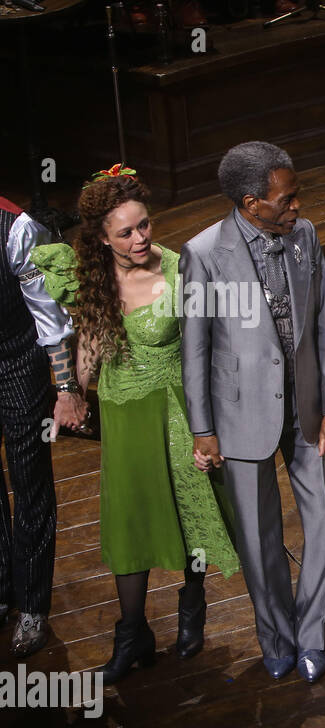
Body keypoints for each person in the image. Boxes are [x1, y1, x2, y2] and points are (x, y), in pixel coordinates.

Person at [32, 169, 239, 683]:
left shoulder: (179, 270)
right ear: (103, 237)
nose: (140, 238)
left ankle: (193, 604)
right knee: (131, 523)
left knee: (189, 514)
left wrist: (209, 424)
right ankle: (133, 632)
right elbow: (91, 343)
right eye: (125, 232)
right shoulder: (91, 275)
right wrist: (72, 393)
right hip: (125, 412)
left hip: (177, 408)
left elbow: (211, 349)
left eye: (143, 225)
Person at [181, 141, 325, 684]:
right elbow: (196, 349)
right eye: (287, 198)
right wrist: (202, 429)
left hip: (307, 407)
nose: (297, 206)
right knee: (258, 536)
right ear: (252, 204)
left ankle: (315, 635)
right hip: (239, 414)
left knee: (323, 520)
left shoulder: (306, 237)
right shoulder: (203, 253)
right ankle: (275, 637)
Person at [0, 196, 84, 658]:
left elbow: (47, 316)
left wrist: (66, 385)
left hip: (17, 360)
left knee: (28, 477)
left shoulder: (15, 228)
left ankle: (32, 604)